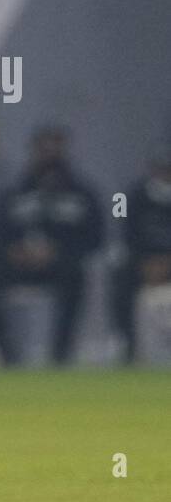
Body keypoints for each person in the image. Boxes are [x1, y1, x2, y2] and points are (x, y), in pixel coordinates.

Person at [0, 126, 102, 365]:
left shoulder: (82, 195)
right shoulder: (14, 194)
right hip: (20, 264)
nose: (50, 155)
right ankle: (8, 355)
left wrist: (59, 251)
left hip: (61, 265)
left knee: (76, 276)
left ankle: (60, 356)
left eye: (55, 148)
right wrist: (15, 251)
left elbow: (95, 239)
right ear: (34, 151)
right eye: (44, 148)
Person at [111, 150, 171, 362]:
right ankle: (128, 342)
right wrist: (144, 262)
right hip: (142, 262)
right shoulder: (133, 196)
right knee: (120, 278)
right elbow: (127, 234)